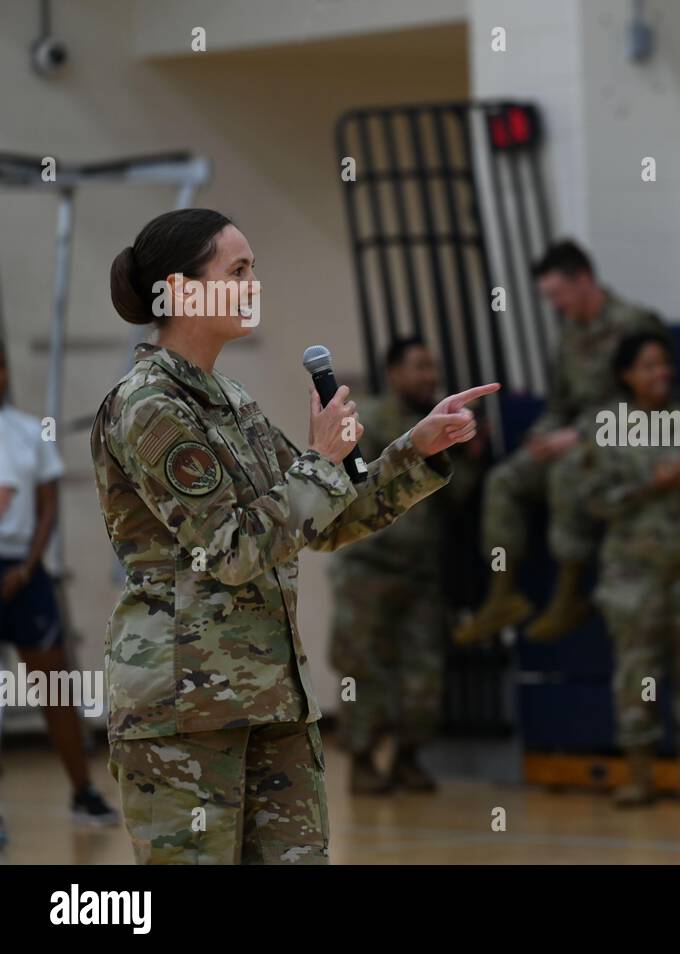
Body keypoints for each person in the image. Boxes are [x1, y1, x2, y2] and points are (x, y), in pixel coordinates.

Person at [91, 208, 495, 864]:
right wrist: (319, 460)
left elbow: (328, 516)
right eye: (239, 270)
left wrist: (415, 448)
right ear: (183, 290)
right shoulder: (149, 409)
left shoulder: (234, 400)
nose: (255, 284)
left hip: (273, 700)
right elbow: (231, 549)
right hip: (184, 710)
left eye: (255, 269)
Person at [455, 240, 665, 645]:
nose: (553, 304)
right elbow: (560, 404)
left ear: (583, 279)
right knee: (505, 478)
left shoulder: (636, 324)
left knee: (568, 469)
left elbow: (650, 400)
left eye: (556, 294)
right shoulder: (569, 334)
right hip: (577, 432)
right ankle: (502, 594)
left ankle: (568, 594)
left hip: (628, 434)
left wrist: (579, 435)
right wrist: (542, 434)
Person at [580, 332, 680, 807]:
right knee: (636, 672)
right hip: (632, 574)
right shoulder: (608, 428)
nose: (659, 373)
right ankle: (640, 772)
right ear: (627, 374)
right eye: (648, 366)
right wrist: (652, 483)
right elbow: (592, 500)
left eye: (664, 364)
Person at [328, 337, 487, 794]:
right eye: (419, 366)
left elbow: (453, 496)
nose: (429, 376)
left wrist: (469, 460)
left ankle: (407, 757)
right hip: (368, 569)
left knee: (424, 672)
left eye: (432, 367)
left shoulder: (443, 425)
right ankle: (361, 761)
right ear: (394, 372)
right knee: (364, 669)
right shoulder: (370, 419)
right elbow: (356, 486)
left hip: (421, 573)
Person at [0, 343, 119, 827]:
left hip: (23, 572)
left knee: (53, 689)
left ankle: (83, 792)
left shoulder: (30, 434)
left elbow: (47, 508)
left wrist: (27, 569)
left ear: (4, 374)